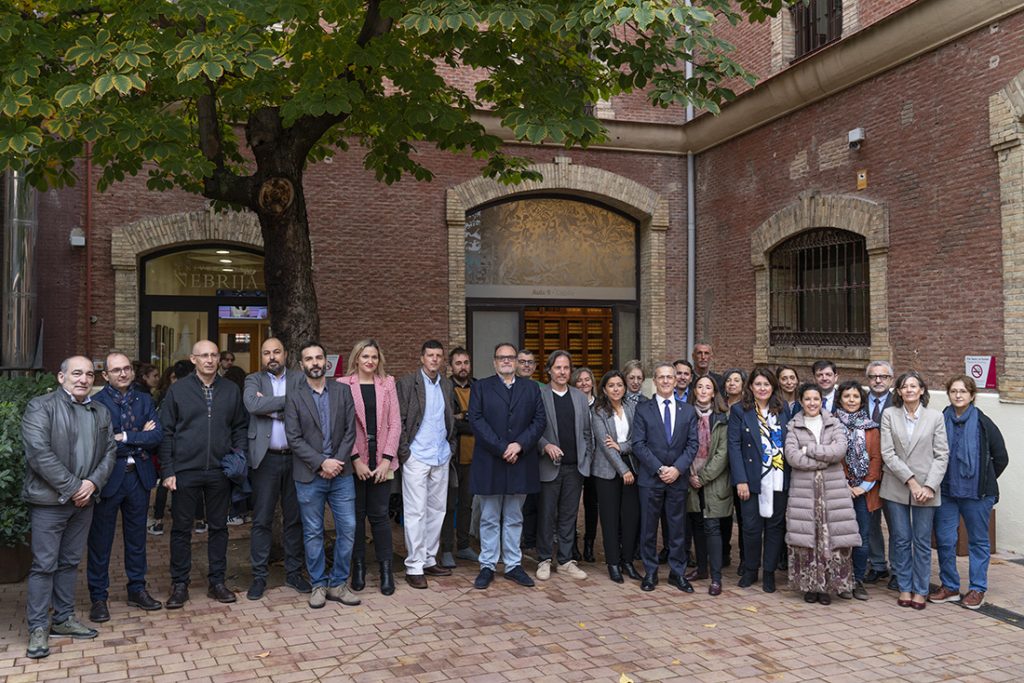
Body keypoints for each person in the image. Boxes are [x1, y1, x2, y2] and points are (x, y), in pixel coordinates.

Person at [21, 356, 116, 659]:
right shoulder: (41, 407)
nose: (83, 379)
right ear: (61, 377)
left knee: (70, 563)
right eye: (76, 373)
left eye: (89, 374)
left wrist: (92, 484)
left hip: (85, 501)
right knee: (44, 565)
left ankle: (63, 619)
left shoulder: (100, 411)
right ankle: (38, 627)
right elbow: (39, 454)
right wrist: (75, 487)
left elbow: (110, 451)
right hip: (50, 501)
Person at [159, 340, 248, 609]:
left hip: (220, 471)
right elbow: (166, 432)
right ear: (193, 359)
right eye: (204, 356)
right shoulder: (178, 391)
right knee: (181, 529)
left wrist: (238, 455)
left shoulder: (231, 390)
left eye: (214, 355)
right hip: (185, 471)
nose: (209, 360)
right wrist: (168, 470)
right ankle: (179, 584)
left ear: (219, 358)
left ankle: (217, 582)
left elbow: (240, 427)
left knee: (219, 528)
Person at [87, 352, 163, 624]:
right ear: (105, 375)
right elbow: (102, 444)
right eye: (116, 370)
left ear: (132, 372)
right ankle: (98, 597)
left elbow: (157, 436)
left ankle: (137, 589)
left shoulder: (144, 400)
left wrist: (126, 436)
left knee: (136, 539)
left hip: (138, 478)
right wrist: (137, 437)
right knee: (101, 541)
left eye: (127, 369)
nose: (122, 374)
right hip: (109, 479)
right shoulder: (96, 403)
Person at [284, 341, 361, 609]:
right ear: (301, 364)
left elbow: (351, 431)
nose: (315, 363)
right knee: (313, 532)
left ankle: (338, 583)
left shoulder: (342, 391)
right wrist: (321, 463)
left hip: (341, 474)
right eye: (309, 359)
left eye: (319, 358)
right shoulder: (294, 395)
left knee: (348, 528)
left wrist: (336, 462)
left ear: (326, 363)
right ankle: (318, 583)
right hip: (309, 475)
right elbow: (293, 438)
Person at [467, 342, 546, 589]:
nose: (506, 361)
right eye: (501, 357)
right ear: (494, 362)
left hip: (520, 460)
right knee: (489, 516)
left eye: (511, 357)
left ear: (517, 361)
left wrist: (519, 445)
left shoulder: (531, 388)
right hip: (491, 460)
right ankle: (487, 565)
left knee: (514, 516)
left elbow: (539, 420)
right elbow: (476, 421)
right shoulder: (481, 387)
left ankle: (513, 564)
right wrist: (502, 447)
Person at [929, 375, 1009, 610]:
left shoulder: (984, 423)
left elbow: (1001, 457)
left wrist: (982, 480)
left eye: (963, 391)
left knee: (978, 542)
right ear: (949, 394)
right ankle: (950, 586)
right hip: (946, 491)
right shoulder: (938, 421)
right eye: (954, 391)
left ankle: (977, 588)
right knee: (945, 540)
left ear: (972, 395)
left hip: (977, 495)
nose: (958, 395)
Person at [242, 337, 309, 600]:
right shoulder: (252, 380)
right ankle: (259, 577)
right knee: (261, 520)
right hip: (265, 460)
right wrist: (287, 404)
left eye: (277, 352)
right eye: (267, 353)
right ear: (261, 357)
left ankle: (294, 573)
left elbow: (306, 409)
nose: (272, 357)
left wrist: (268, 405)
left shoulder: (299, 379)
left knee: (295, 518)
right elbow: (252, 405)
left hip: (296, 458)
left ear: (286, 354)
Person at [785, 383, 861, 605]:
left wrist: (809, 450)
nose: (812, 403)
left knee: (831, 537)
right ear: (801, 401)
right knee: (807, 536)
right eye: (807, 399)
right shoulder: (794, 426)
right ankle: (810, 586)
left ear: (822, 401)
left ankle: (829, 586)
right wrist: (823, 460)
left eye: (816, 399)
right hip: (805, 491)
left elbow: (839, 452)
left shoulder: (833, 423)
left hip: (832, 491)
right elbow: (792, 458)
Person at [880, 371, 949, 610]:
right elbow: (887, 453)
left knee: (921, 541)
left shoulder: (935, 417)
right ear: (898, 392)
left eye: (913, 386)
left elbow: (942, 455)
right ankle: (905, 587)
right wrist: (911, 481)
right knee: (900, 539)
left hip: (927, 490)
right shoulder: (889, 414)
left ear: (922, 390)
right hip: (897, 486)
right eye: (904, 386)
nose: (909, 390)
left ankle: (921, 590)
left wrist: (929, 486)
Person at [338, 339, 401, 596]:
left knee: (380, 517)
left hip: (382, 460)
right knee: (355, 518)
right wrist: (356, 461)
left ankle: (386, 571)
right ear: (356, 359)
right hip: (355, 462)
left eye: (374, 357)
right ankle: (359, 568)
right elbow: (341, 426)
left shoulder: (388, 384)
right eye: (365, 356)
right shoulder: (343, 385)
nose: (370, 361)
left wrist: (387, 459)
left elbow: (395, 424)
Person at [631, 362, 699, 593]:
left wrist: (677, 469)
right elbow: (638, 444)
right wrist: (660, 469)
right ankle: (650, 572)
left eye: (670, 377)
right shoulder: (643, 409)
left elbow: (692, 445)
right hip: (651, 479)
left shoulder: (688, 411)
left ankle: (677, 573)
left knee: (677, 528)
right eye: (662, 377)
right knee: (649, 528)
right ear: (655, 380)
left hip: (677, 479)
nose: (667, 381)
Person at [396, 340, 457, 590]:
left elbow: (450, 418)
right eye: (430, 355)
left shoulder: (446, 384)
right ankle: (414, 565)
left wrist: (450, 449)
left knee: (437, 511)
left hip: (441, 456)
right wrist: (405, 453)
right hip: (417, 457)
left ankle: (430, 558)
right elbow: (398, 419)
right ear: (421, 358)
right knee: (415, 512)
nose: (434, 359)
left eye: (438, 356)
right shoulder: (408, 383)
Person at [728, 367, 789, 593]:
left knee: (775, 527)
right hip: (751, 479)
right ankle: (751, 569)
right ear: (750, 387)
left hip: (779, 478)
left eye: (766, 384)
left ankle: (770, 573)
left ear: (772, 387)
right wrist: (740, 480)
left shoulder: (783, 410)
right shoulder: (739, 411)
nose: (762, 388)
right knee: (751, 527)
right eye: (758, 384)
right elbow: (734, 446)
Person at [536, 350, 593, 581]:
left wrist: (586, 460)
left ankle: (566, 561)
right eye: (558, 367)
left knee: (569, 516)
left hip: (574, 468)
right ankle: (544, 559)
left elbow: (587, 433)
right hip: (549, 466)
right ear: (549, 370)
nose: (562, 372)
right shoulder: (540, 395)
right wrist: (545, 445)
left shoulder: (579, 397)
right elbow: (532, 428)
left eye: (566, 368)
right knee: (547, 515)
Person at [590, 371, 641, 584]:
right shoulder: (598, 412)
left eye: (619, 385)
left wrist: (622, 446)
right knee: (610, 518)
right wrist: (623, 470)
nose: (616, 389)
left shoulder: (632, 408)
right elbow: (605, 445)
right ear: (604, 389)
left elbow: (637, 438)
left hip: (632, 464)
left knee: (631, 517)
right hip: (607, 471)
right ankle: (613, 563)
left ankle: (627, 561)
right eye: (611, 385)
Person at [833, 380, 883, 601]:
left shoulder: (871, 427)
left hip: (864, 492)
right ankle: (842, 580)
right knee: (841, 538)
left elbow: (876, 459)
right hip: (838, 489)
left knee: (861, 538)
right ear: (840, 399)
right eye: (847, 396)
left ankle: (858, 580)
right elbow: (832, 458)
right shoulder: (831, 425)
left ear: (861, 400)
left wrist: (862, 487)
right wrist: (845, 484)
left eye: (855, 396)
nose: (851, 400)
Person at [685, 375, 733, 596]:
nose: (703, 391)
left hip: (714, 480)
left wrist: (702, 477)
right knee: (697, 524)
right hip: (689, 476)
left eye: (708, 388)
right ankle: (701, 569)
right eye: (700, 387)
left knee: (712, 527)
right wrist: (689, 474)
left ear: (714, 393)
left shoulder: (723, 419)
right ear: (694, 391)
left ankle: (716, 577)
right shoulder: (685, 415)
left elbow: (723, 453)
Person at [440, 347, 477, 566]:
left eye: (466, 362)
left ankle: (463, 546)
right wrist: (464, 420)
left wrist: (462, 418)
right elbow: (447, 423)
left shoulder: (478, 387)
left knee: (466, 505)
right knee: (448, 506)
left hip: (474, 458)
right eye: (458, 363)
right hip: (452, 459)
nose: (462, 367)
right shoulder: (444, 388)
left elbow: (483, 421)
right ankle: (446, 549)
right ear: (450, 366)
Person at [864, 360, 896, 588]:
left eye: (883, 377)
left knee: (896, 525)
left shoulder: (901, 402)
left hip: (894, 474)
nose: (878, 380)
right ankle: (877, 565)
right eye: (874, 376)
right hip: (867, 474)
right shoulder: (857, 401)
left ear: (890, 380)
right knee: (871, 522)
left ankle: (898, 569)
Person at [571, 366, 599, 563]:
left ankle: (589, 544)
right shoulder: (571, 403)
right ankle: (572, 545)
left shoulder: (600, 406)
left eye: (587, 379)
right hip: (576, 461)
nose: (583, 383)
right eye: (579, 380)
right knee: (571, 505)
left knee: (591, 505)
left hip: (597, 463)